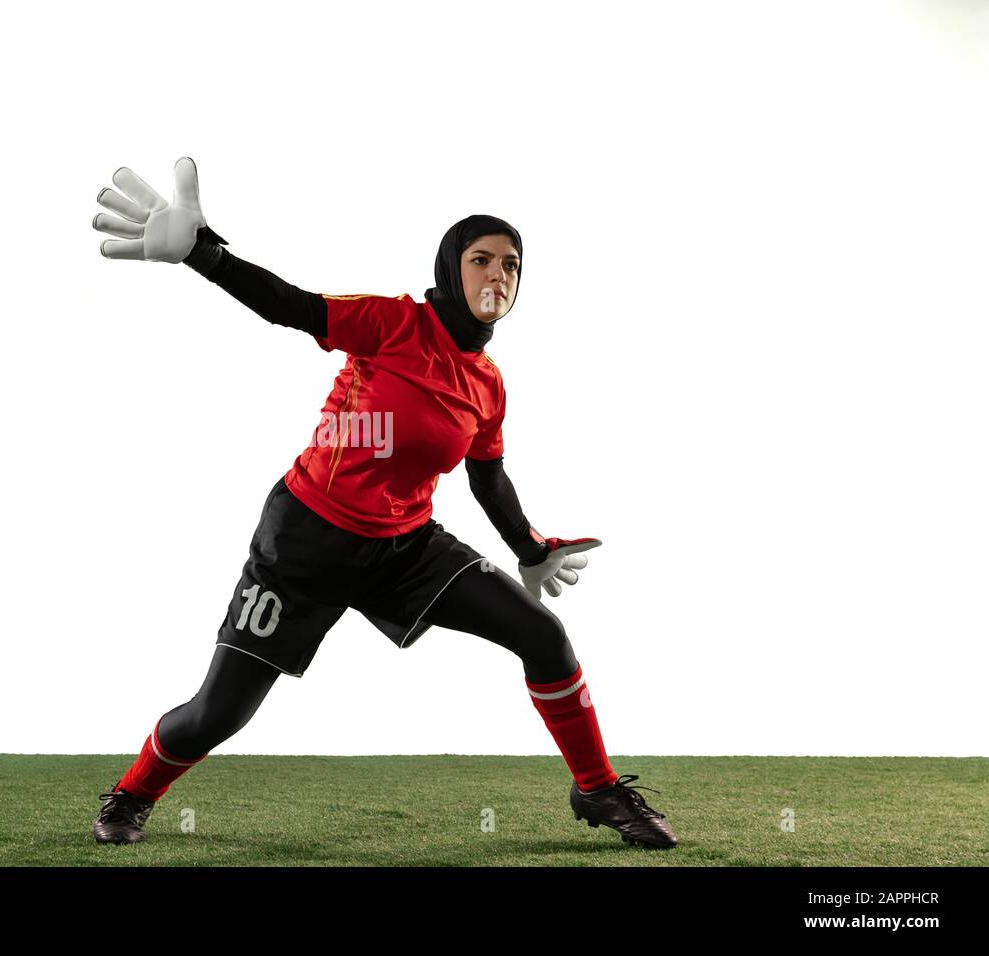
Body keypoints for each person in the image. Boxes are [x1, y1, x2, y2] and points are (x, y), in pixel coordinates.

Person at [88, 157, 678, 850]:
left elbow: (488, 478)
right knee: (216, 716)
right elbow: (289, 304)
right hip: (305, 540)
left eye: (511, 265)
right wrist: (203, 254)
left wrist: (530, 549)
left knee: (544, 638)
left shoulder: (488, 384)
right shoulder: (394, 323)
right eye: (482, 259)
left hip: (406, 545)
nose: (498, 275)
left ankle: (597, 788)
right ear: (451, 267)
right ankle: (132, 794)